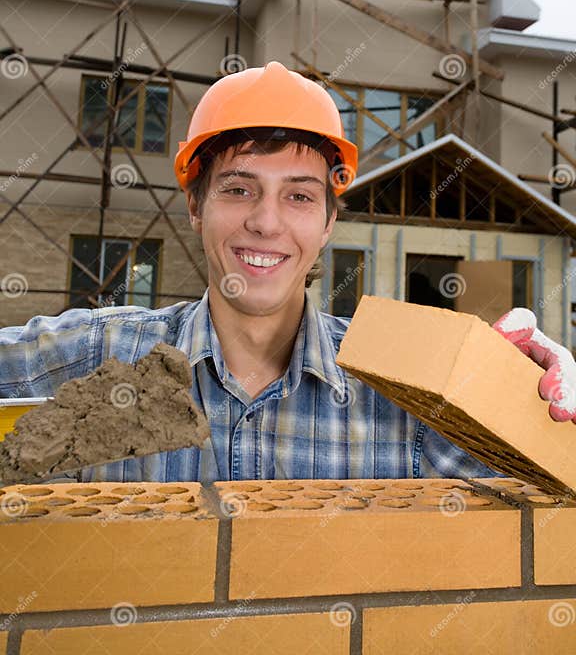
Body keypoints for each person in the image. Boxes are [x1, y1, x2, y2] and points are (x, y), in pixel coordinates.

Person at [0, 61, 574, 484]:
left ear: (327, 223)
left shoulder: (402, 394)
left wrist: (535, 410)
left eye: (299, 197)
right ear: (195, 207)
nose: (266, 222)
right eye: (238, 189)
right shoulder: (97, 357)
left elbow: (554, 496)